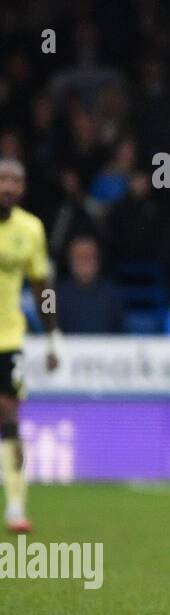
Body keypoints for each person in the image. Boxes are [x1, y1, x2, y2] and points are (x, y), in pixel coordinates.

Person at [0, 159, 62, 533]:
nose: (9, 186)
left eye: (15, 180)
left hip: (9, 339)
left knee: (9, 415)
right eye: (3, 179)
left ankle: (16, 506)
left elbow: (43, 287)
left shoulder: (31, 229)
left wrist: (53, 335)